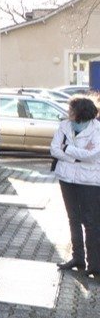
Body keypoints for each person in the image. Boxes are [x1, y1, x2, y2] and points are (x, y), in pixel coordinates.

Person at [51, 96, 100, 278]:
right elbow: (54, 149)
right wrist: (77, 155)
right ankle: (77, 258)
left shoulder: (97, 129)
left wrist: (67, 149)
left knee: (91, 222)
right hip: (67, 178)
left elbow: (93, 155)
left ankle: (94, 265)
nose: (68, 112)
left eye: (71, 109)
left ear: (81, 112)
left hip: (90, 182)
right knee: (73, 219)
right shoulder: (64, 126)